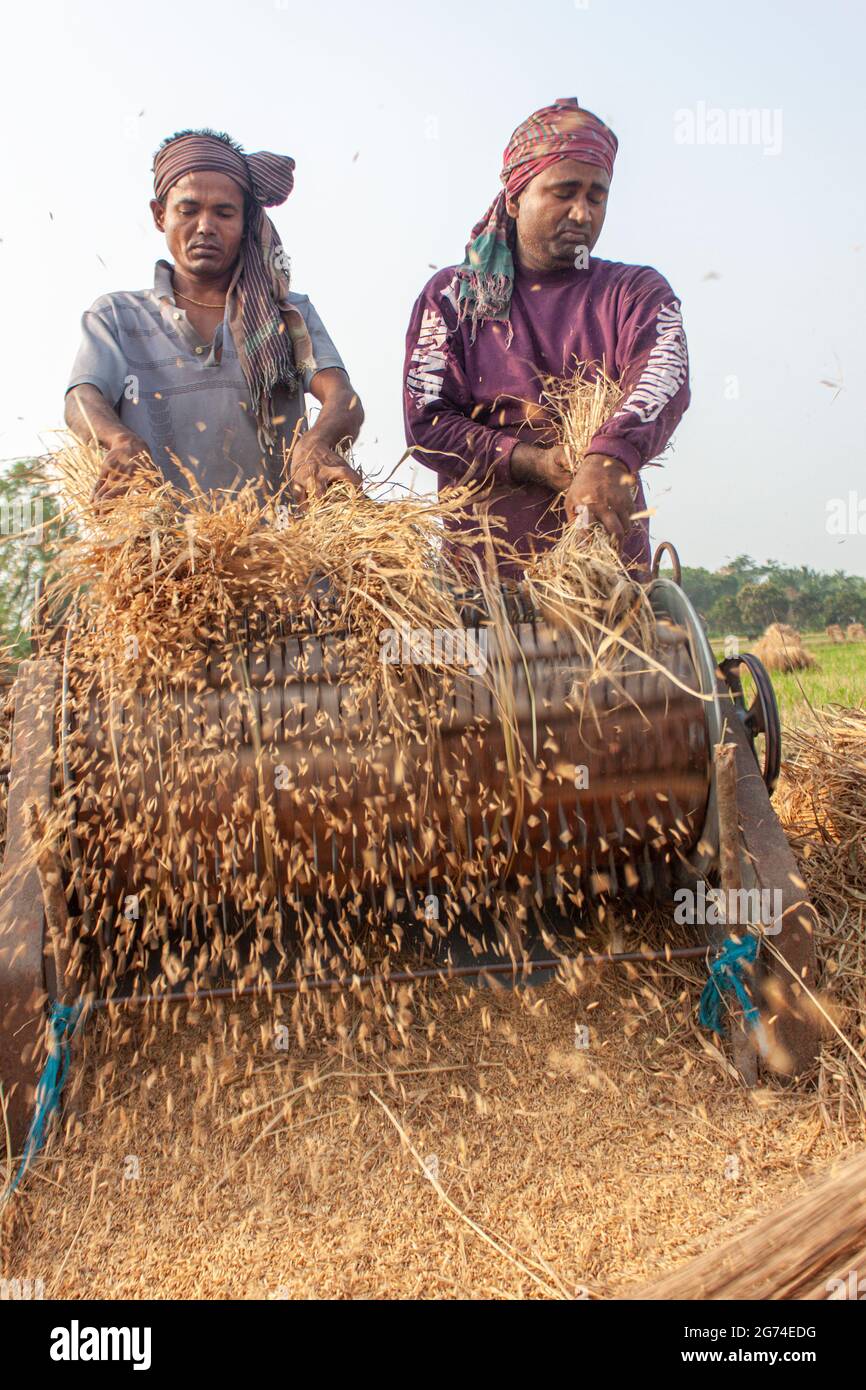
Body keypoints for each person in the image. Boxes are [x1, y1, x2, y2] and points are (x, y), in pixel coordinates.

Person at [403, 97, 690, 575]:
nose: (581, 213)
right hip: (485, 585)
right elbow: (426, 426)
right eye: (564, 193)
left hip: (607, 583)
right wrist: (532, 461)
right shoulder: (454, 297)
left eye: (596, 197)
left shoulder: (635, 293)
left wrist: (608, 456)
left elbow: (663, 377)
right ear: (515, 199)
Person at [66, 128, 363, 503]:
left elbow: (343, 397)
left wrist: (318, 442)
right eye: (188, 210)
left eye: (224, 213)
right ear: (160, 215)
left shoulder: (287, 313)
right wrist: (119, 440)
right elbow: (82, 396)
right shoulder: (117, 317)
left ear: (244, 222)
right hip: (159, 550)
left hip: (283, 552)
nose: (205, 226)